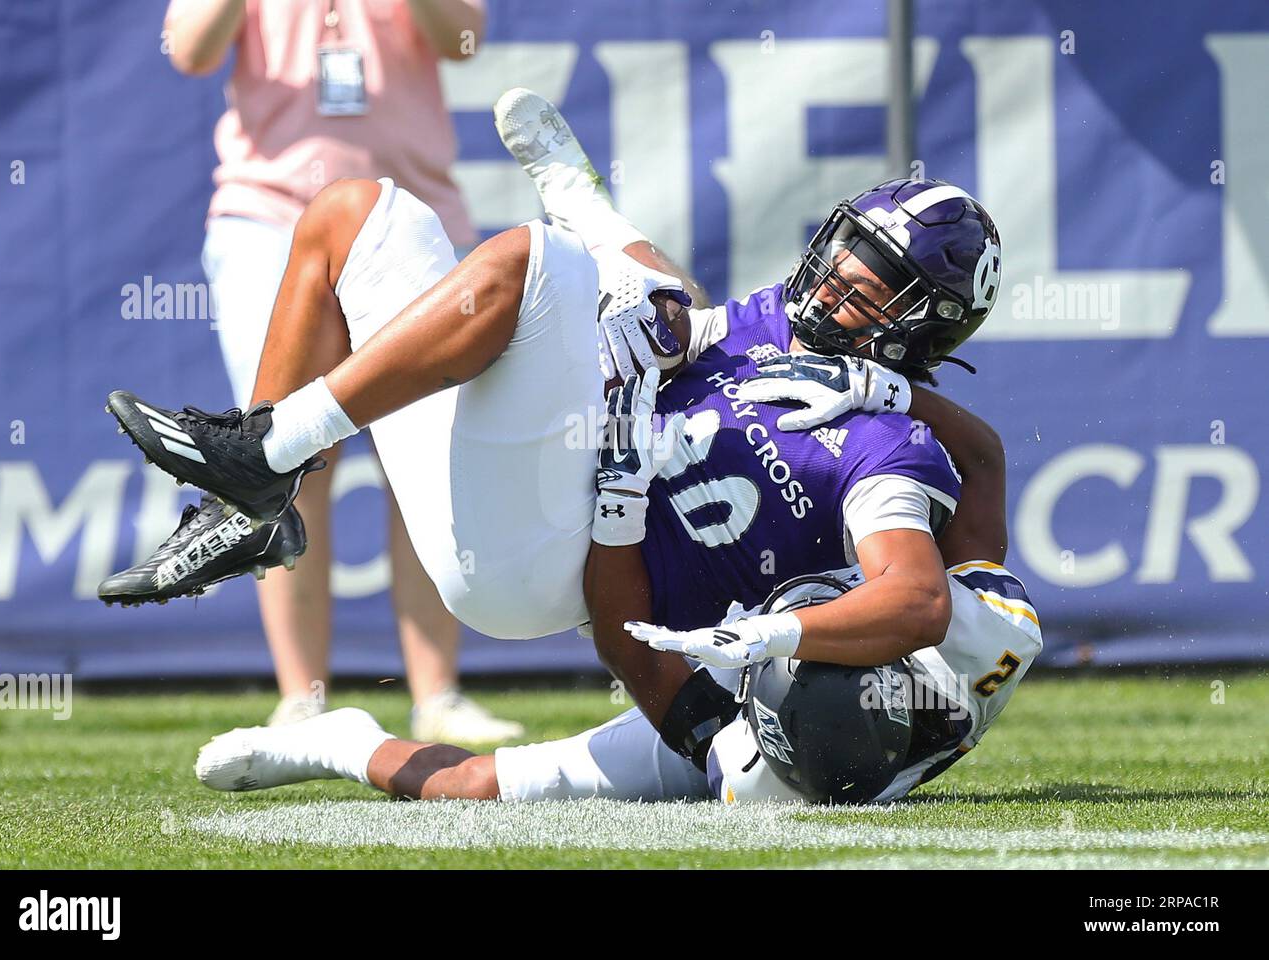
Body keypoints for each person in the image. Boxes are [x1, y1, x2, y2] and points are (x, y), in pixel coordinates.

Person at [103, 89, 1002, 776]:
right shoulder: (775, 324)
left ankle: (263, 454)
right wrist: (647, 312)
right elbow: (678, 306)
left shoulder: (893, 448)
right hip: (531, 478)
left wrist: (760, 632)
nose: (843, 275)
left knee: (540, 263)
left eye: (880, 281)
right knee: (353, 213)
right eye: (851, 247)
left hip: (552, 556)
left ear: (923, 327)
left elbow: (921, 589)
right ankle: (259, 496)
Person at [191, 378, 1041, 805]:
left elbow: (625, 645)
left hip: (737, 722)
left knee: (473, 792)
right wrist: (891, 392)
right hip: (807, 658)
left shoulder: (756, 775)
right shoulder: (993, 634)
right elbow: (988, 464)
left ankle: (337, 743)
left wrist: (621, 506)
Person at [137, 0, 523, 742]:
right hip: (270, 222)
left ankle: (437, 696)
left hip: (412, 218)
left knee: (428, 457)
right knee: (282, 453)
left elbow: (463, 39)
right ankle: (301, 700)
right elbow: (189, 49)